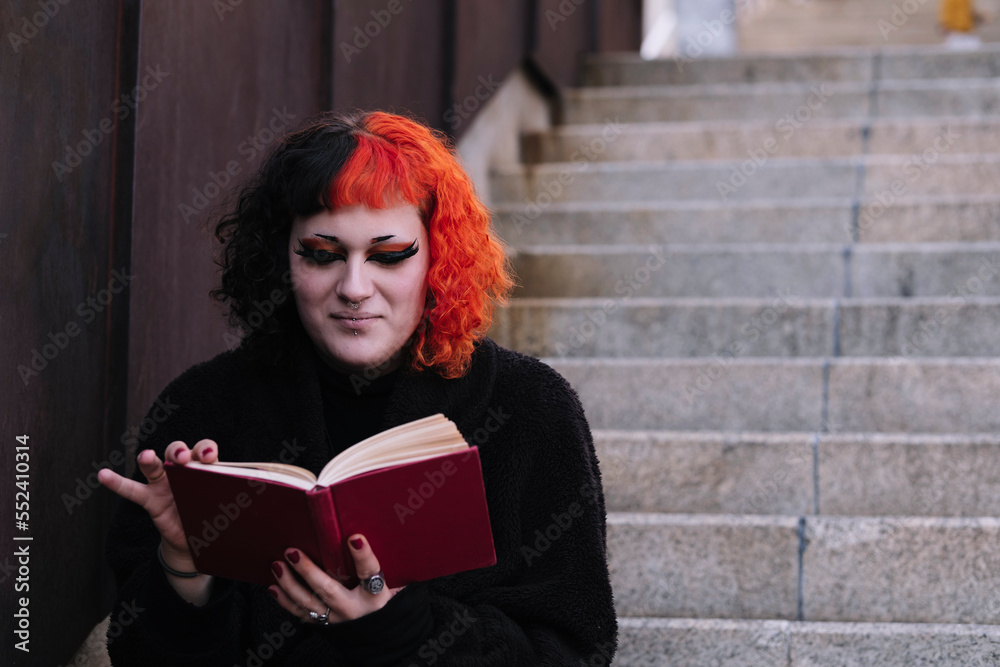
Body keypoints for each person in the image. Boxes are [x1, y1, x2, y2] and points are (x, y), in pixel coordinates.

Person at [98, 110, 618, 665]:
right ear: (279, 257)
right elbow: (141, 655)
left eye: (388, 256)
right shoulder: (202, 406)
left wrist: (404, 628)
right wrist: (183, 568)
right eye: (322, 255)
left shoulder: (529, 409)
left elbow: (574, 649)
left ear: (440, 257)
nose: (354, 287)